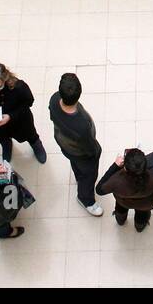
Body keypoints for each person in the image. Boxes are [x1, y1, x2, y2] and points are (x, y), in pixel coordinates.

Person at [49, 72, 104, 216]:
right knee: (89, 175)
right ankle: (85, 199)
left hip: (66, 146)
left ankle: (79, 177)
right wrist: (97, 151)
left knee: (77, 165)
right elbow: (89, 147)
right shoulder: (81, 126)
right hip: (82, 153)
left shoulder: (54, 99)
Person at [95, 147, 153, 231]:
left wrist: (115, 166)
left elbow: (99, 190)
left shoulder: (115, 181)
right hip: (145, 204)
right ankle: (139, 228)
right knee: (142, 216)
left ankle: (120, 221)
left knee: (120, 210)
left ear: (125, 168)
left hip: (123, 202)